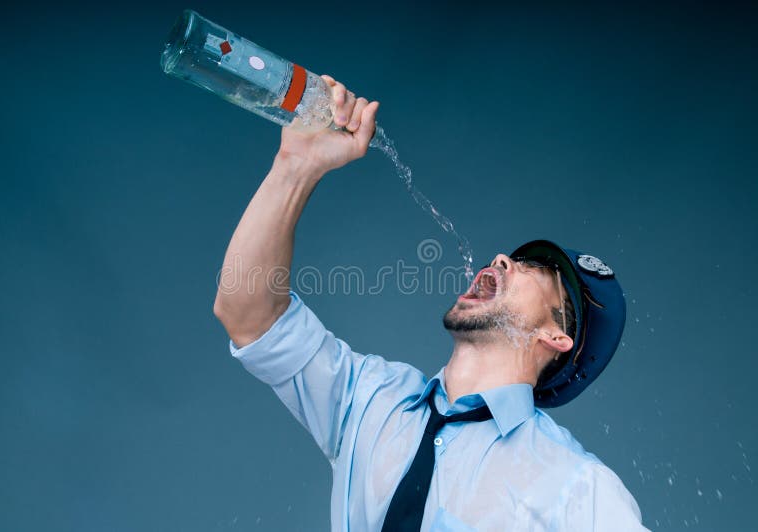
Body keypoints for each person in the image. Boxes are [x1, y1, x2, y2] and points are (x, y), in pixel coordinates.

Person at [213, 75, 648, 531]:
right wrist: (295, 167)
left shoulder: (578, 488)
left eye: (539, 270)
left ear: (555, 336)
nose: (503, 258)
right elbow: (247, 313)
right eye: (513, 257)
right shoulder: (369, 399)